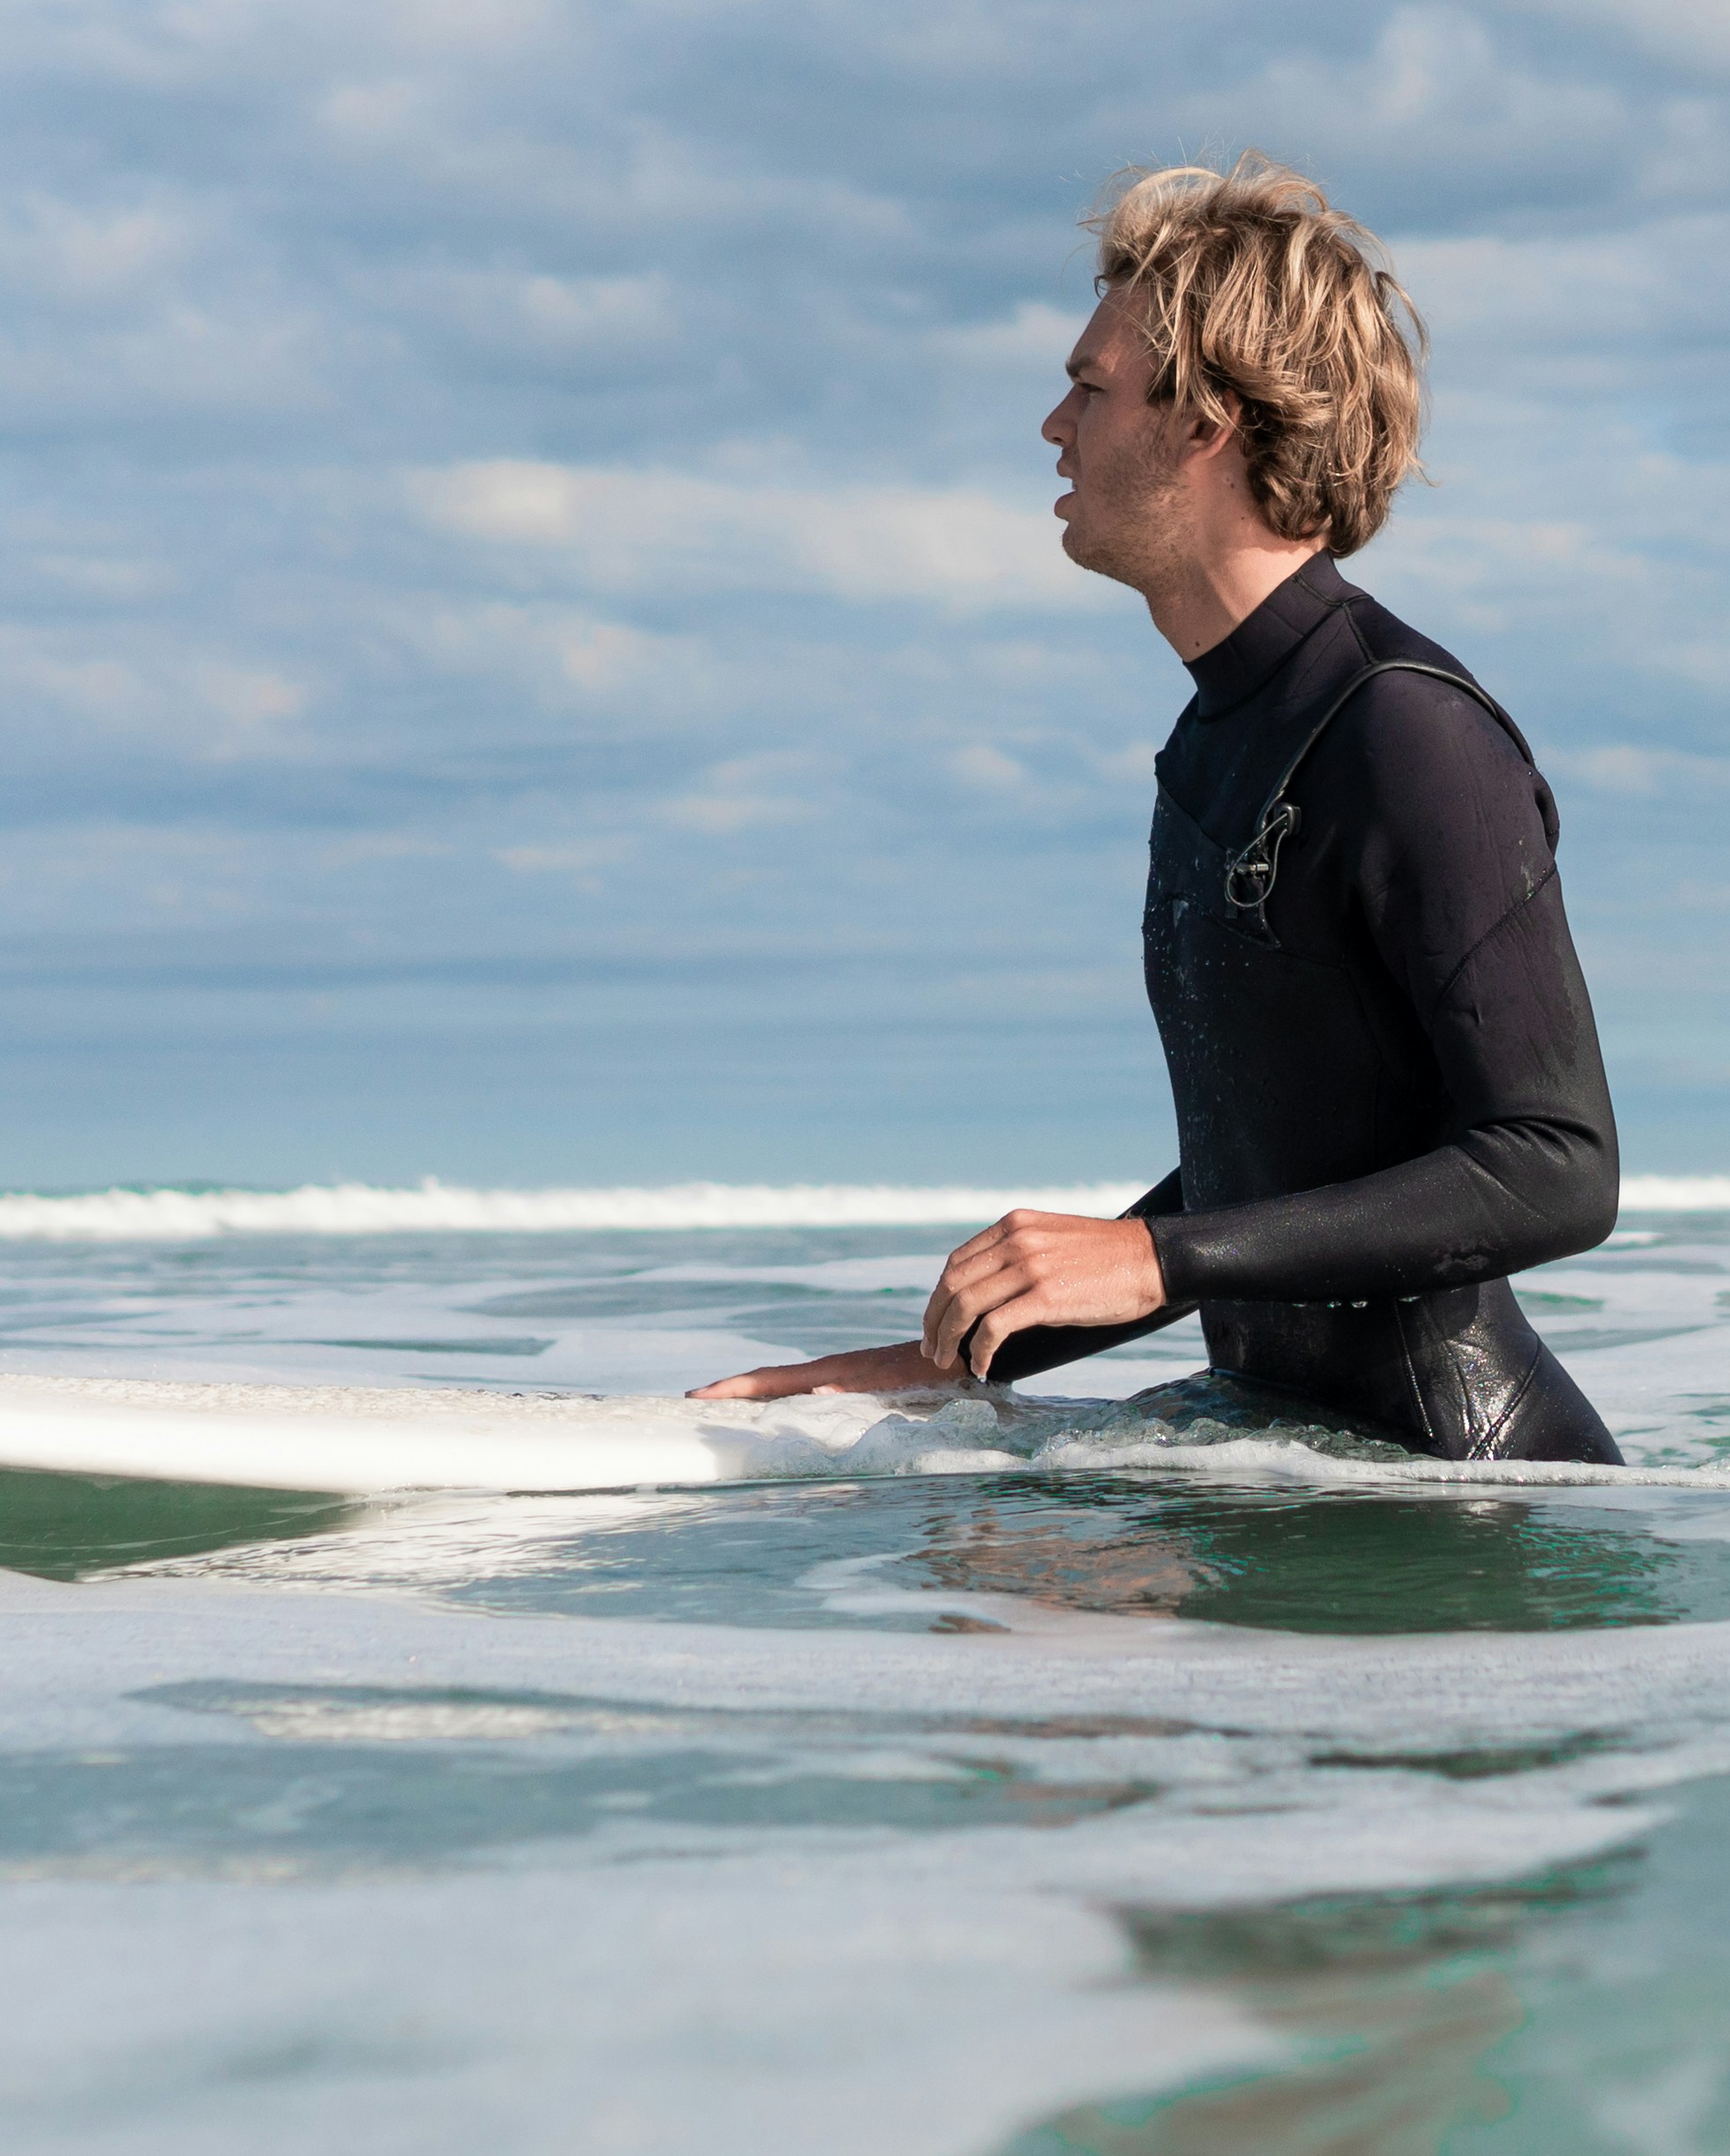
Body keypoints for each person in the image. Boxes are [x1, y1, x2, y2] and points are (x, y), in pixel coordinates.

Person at [693, 157, 1625, 1463]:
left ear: (1207, 421)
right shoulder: (1215, 744)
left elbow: (1558, 1159)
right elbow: (1290, 1156)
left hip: (1472, 1514)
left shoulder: (1410, 734)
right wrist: (946, 1362)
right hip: (1304, 1474)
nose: (1052, 426)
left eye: (1088, 386)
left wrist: (1149, 1256)